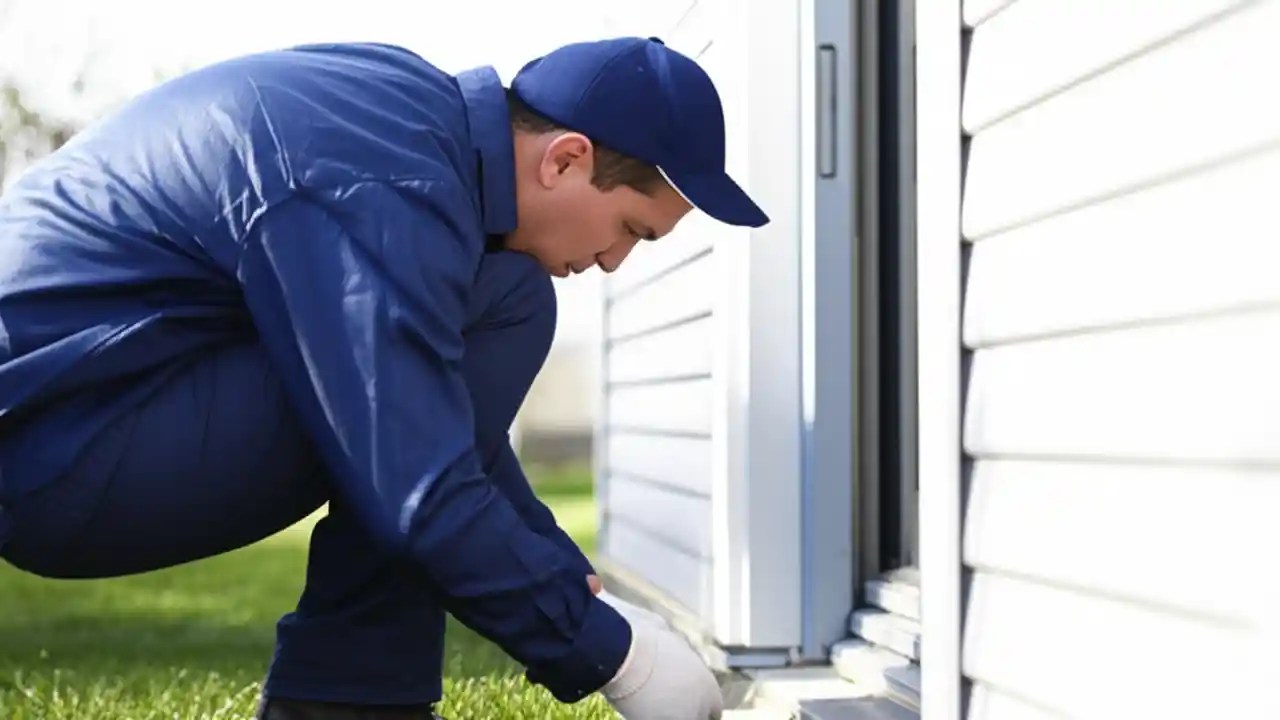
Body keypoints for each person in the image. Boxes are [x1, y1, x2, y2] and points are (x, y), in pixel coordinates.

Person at [0, 36, 767, 720]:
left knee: (484, 314)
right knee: (499, 315)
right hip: (56, 444)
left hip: (85, 405)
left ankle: (347, 694)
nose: (613, 261)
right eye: (631, 229)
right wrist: (617, 660)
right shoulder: (382, 181)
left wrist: (574, 582)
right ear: (564, 158)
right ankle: (346, 701)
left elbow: (432, 411)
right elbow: (413, 470)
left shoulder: (405, 122)